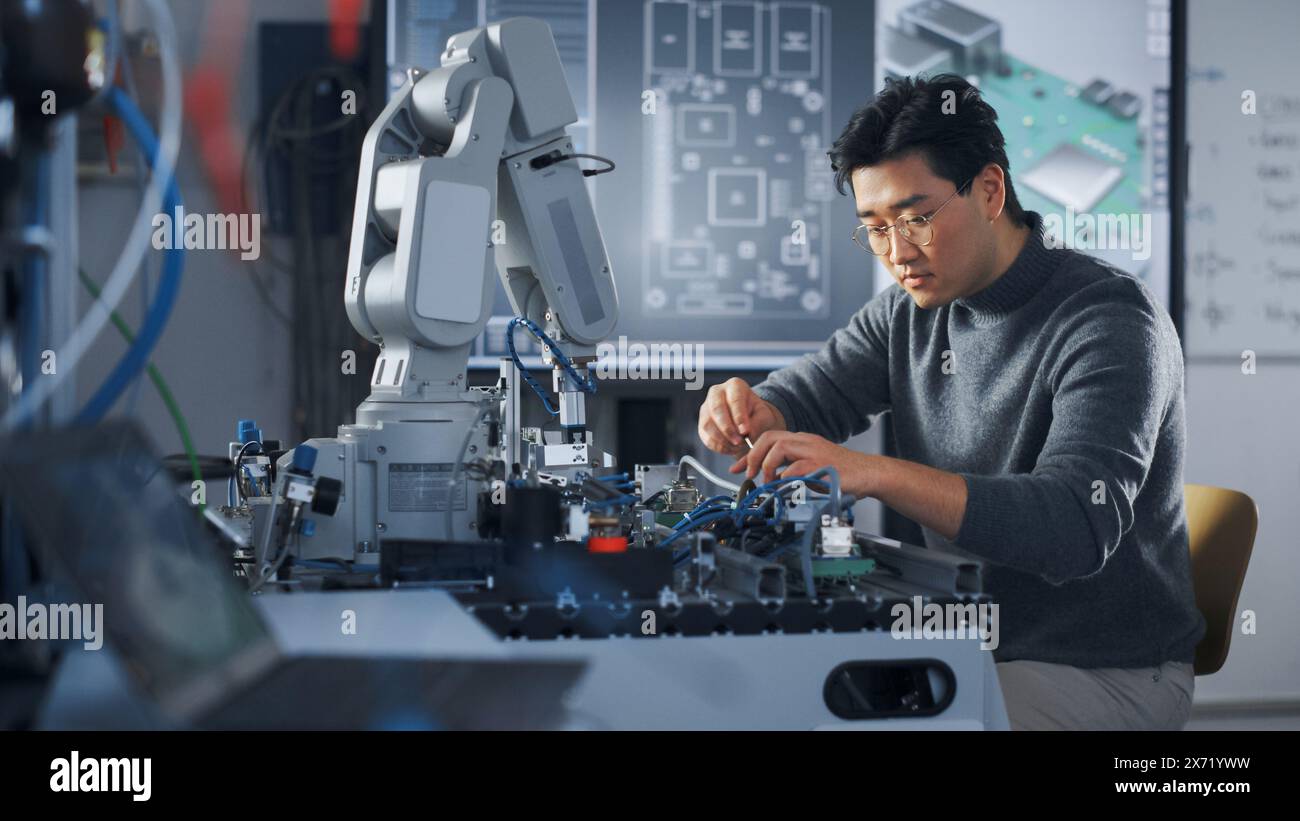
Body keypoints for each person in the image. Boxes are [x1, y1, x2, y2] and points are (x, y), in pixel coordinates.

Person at [696, 74, 1204, 730]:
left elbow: (1075, 527)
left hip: (1102, 666)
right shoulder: (910, 312)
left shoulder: (1108, 320)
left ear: (990, 190)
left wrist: (875, 474)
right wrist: (755, 408)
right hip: (958, 642)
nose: (896, 253)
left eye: (917, 218)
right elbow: (812, 393)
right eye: (874, 228)